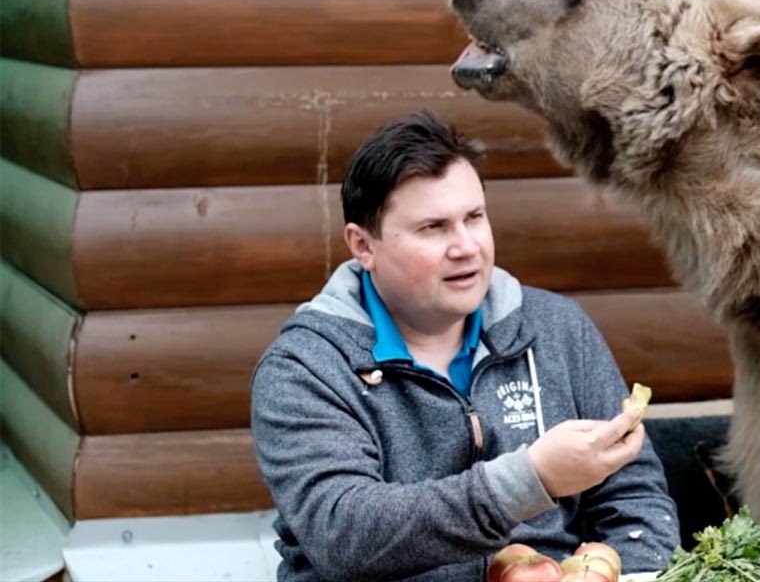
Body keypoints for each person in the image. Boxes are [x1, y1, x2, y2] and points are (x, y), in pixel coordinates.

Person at [251, 110, 679, 582]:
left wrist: (617, 572)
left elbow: (635, 499)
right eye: (433, 228)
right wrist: (530, 478)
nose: (466, 247)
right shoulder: (306, 367)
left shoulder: (556, 329)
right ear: (362, 245)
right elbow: (344, 534)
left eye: (474, 218)